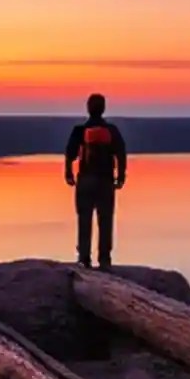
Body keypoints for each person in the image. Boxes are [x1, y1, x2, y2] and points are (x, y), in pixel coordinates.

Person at [64, 93, 127, 269]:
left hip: (85, 180)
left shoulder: (80, 130)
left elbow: (70, 153)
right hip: (105, 182)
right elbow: (121, 154)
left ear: (88, 108)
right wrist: (121, 176)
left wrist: (68, 173)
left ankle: (84, 258)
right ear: (103, 108)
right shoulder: (112, 131)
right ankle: (105, 259)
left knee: (84, 219)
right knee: (105, 220)